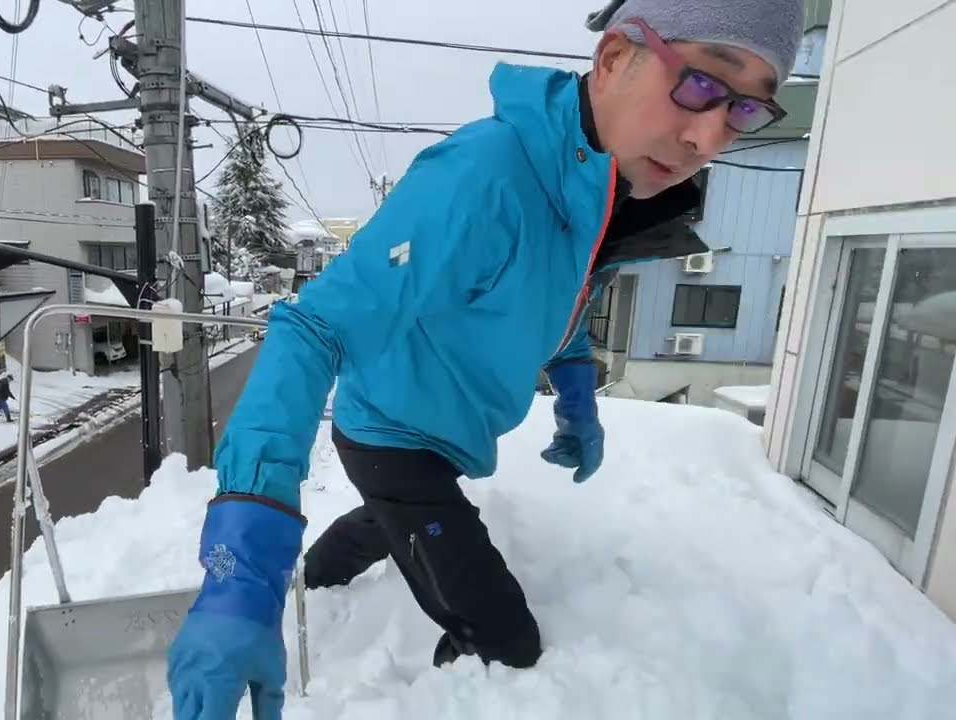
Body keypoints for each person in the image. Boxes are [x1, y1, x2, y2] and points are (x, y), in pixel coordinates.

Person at [167, 0, 803, 716]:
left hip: (444, 436)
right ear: (615, 57)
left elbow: (557, 315)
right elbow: (313, 329)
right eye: (700, 83)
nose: (707, 136)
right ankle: (459, 681)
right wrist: (237, 580)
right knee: (506, 636)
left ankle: (324, 571)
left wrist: (577, 403)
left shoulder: (594, 194)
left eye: (745, 111)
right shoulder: (486, 179)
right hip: (392, 432)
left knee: (394, 518)